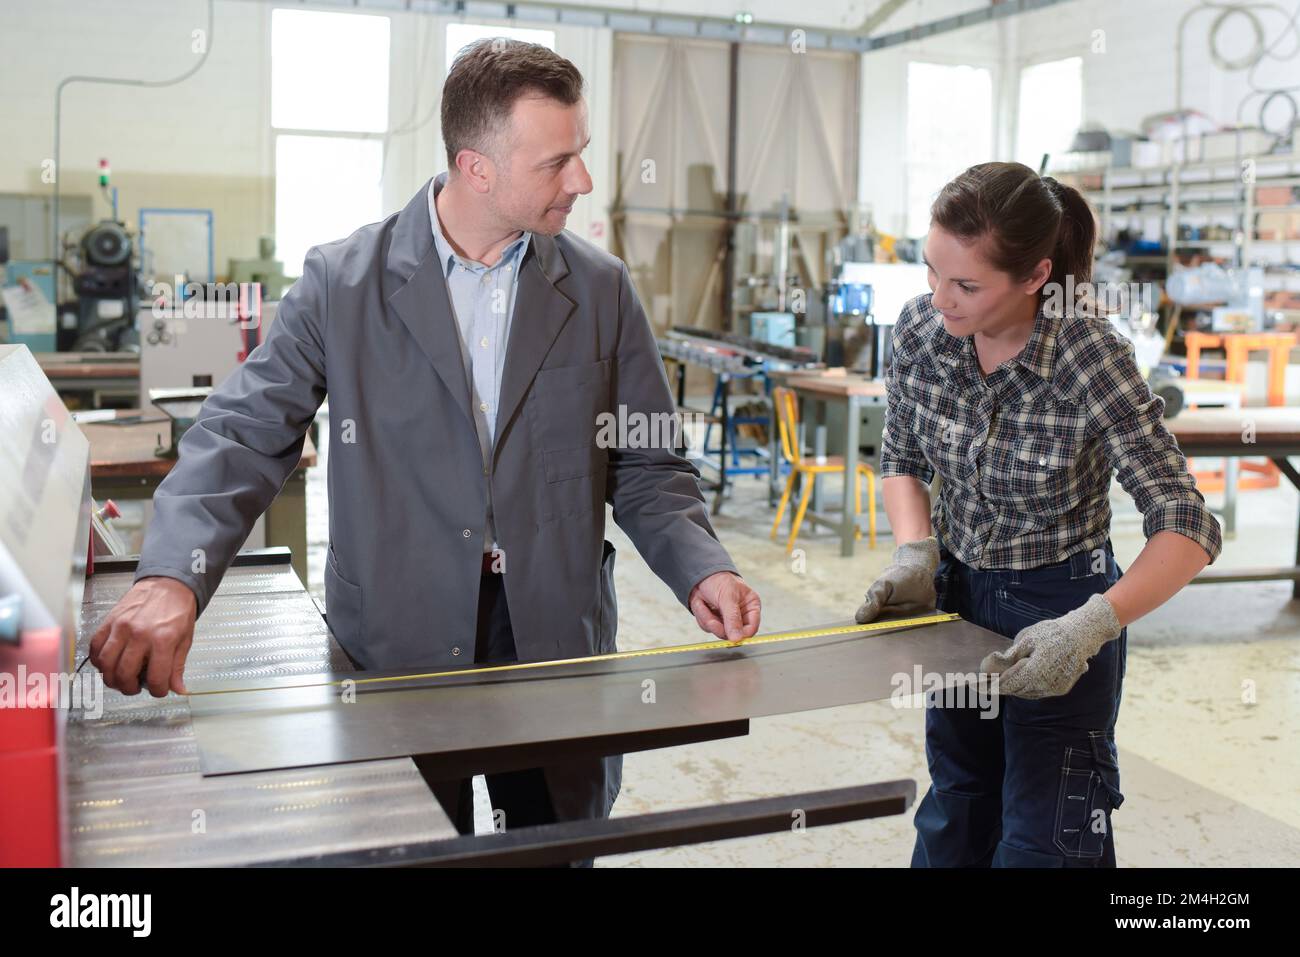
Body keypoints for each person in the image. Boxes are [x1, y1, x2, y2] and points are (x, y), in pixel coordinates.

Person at [89, 39, 761, 848]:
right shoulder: (345, 284)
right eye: (558, 162)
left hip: (548, 638)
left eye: (580, 155)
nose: (582, 181)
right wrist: (172, 574)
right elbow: (241, 433)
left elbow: (647, 461)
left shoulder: (599, 289)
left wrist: (703, 564)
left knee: (550, 843)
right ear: (476, 168)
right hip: (396, 641)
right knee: (407, 845)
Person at [856, 161, 1222, 867]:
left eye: (966, 285)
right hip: (957, 597)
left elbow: (1187, 523)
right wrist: (914, 553)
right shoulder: (922, 331)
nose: (940, 298)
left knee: (1048, 836)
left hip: (1060, 600)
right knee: (958, 806)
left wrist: (1093, 623)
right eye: (931, 270)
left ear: (1033, 276)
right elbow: (900, 455)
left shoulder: (1088, 354)